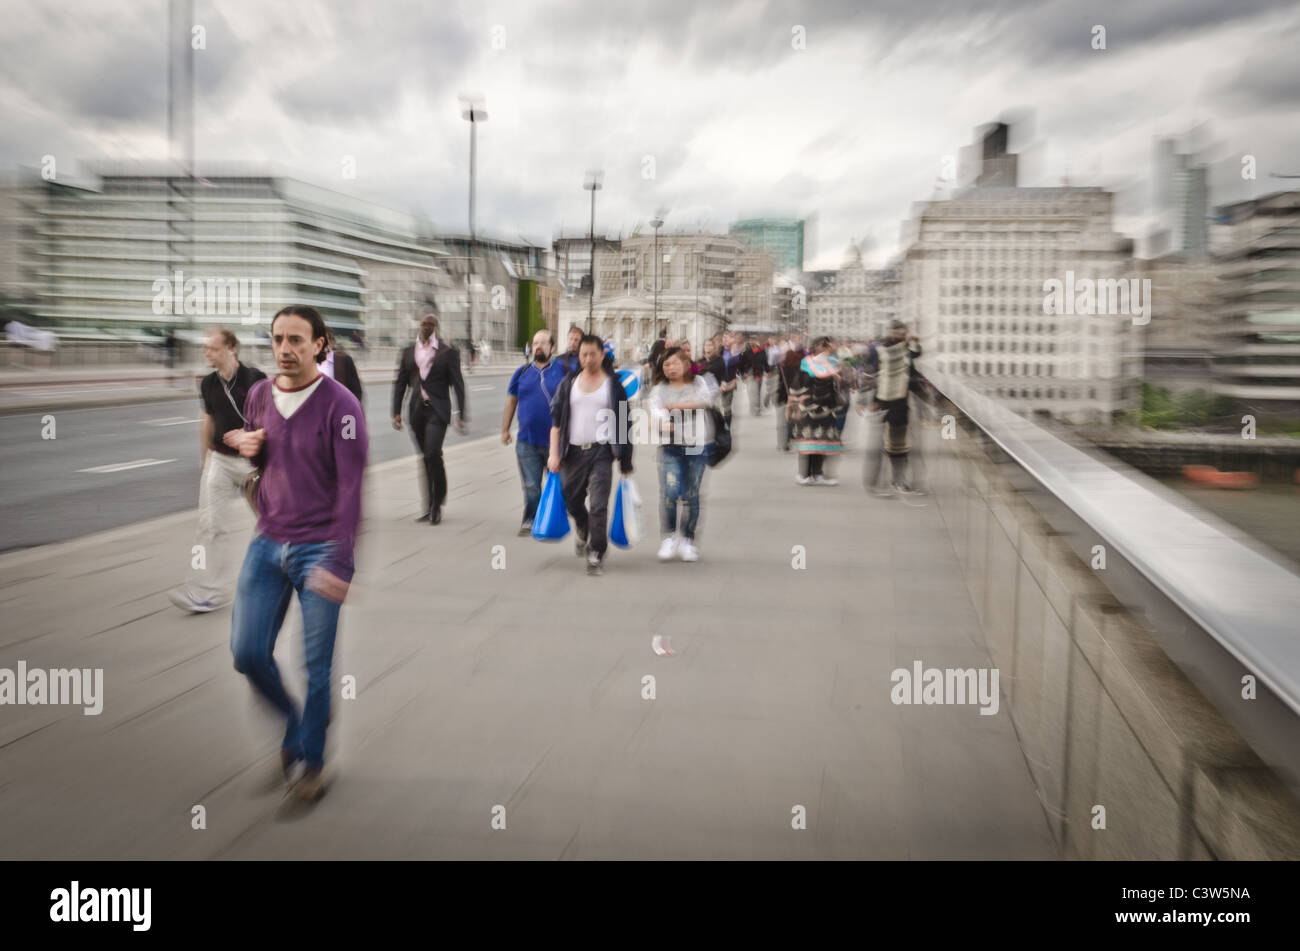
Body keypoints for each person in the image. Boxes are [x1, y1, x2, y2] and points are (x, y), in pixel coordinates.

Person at [228, 304, 368, 802]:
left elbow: (351, 489)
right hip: (267, 543)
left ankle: (311, 764)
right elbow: (264, 456)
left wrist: (341, 563)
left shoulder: (341, 406)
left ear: (319, 344)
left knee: (316, 667)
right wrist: (250, 445)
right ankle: (294, 725)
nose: (285, 349)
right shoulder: (259, 394)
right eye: (278, 339)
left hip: (320, 550)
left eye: (296, 340)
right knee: (246, 653)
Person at [170, 328, 266, 613]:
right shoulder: (208, 383)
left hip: (253, 464)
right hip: (221, 462)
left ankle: (286, 573)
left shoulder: (255, 379)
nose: (206, 353)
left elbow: (270, 419)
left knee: (271, 524)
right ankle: (208, 592)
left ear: (231, 348)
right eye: (205, 348)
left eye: (212, 348)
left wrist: (250, 436)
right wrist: (205, 458)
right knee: (210, 525)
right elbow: (206, 420)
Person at [547, 333, 634, 576]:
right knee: (571, 500)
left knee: (598, 504)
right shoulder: (569, 383)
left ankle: (596, 552)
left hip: (601, 452)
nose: (587, 358)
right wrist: (554, 453)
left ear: (602, 354)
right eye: (583, 354)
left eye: (592, 354)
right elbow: (556, 422)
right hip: (572, 452)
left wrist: (626, 460)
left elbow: (624, 425)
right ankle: (583, 527)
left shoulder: (613, 386)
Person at [391, 314, 468, 525]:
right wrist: (396, 412)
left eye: (430, 324)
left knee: (433, 452)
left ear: (435, 327)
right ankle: (428, 505)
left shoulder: (447, 352)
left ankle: (437, 503)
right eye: (423, 323)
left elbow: (457, 383)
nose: (426, 327)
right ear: (419, 326)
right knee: (425, 457)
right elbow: (400, 383)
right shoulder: (408, 352)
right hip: (416, 411)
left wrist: (461, 414)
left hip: (438, 411)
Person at [648, 347, 718, 562]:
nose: (670, 368)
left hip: (698, 445)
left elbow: (706, 401)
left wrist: (674, 406)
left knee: (692, 494)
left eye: (674, 363)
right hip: (671, 447)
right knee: (669, 493)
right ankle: (668, 537)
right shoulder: (659, 389)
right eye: (666, 364)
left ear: (686, 364)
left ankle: (687, 539)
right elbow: (654, 413)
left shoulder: (699, 383)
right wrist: (660, 421)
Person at [502, 329, 567, 535]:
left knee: (560, 485)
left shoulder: (563, 372)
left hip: (555, 441)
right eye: (536, 342)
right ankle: (531, 519)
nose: (539, 346)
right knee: (531, 486)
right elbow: (512, 400)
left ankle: (553, 518)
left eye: (543, 342)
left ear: (552, 347)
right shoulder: (522, 373)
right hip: (526, 440)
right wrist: (505, 429)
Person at [861, 320, 924, 499]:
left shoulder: (904, 350)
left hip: (898, 401)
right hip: (883, 400)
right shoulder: (881, 350)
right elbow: (870, 374)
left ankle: (897, 481)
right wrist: (868, 400)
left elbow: (915, 355)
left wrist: (915, 343)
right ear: (892, 333)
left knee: (898, 444)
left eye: (904, 334)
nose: (903, 337)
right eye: (900, 333)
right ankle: (881, 483)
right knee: (882, 445)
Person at [788, 336, 846, 485]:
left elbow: (842, 385)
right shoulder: (807, 363)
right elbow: (799, 383)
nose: (825, 348)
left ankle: (818, 474)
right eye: (822, 345)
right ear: (815, 347)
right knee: (809, 442)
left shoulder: (833, 362)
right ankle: (804, 474)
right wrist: (795, 403)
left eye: (827, 345)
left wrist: (837, 379)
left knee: (822, 442)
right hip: (810, 406)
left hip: (827, 407)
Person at [322, 329, 364, 407]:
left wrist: (352, 410)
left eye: (325, 340)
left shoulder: (344, 360)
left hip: (339, 411)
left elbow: (356, 390)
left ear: (332, 342)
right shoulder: (308, 362)